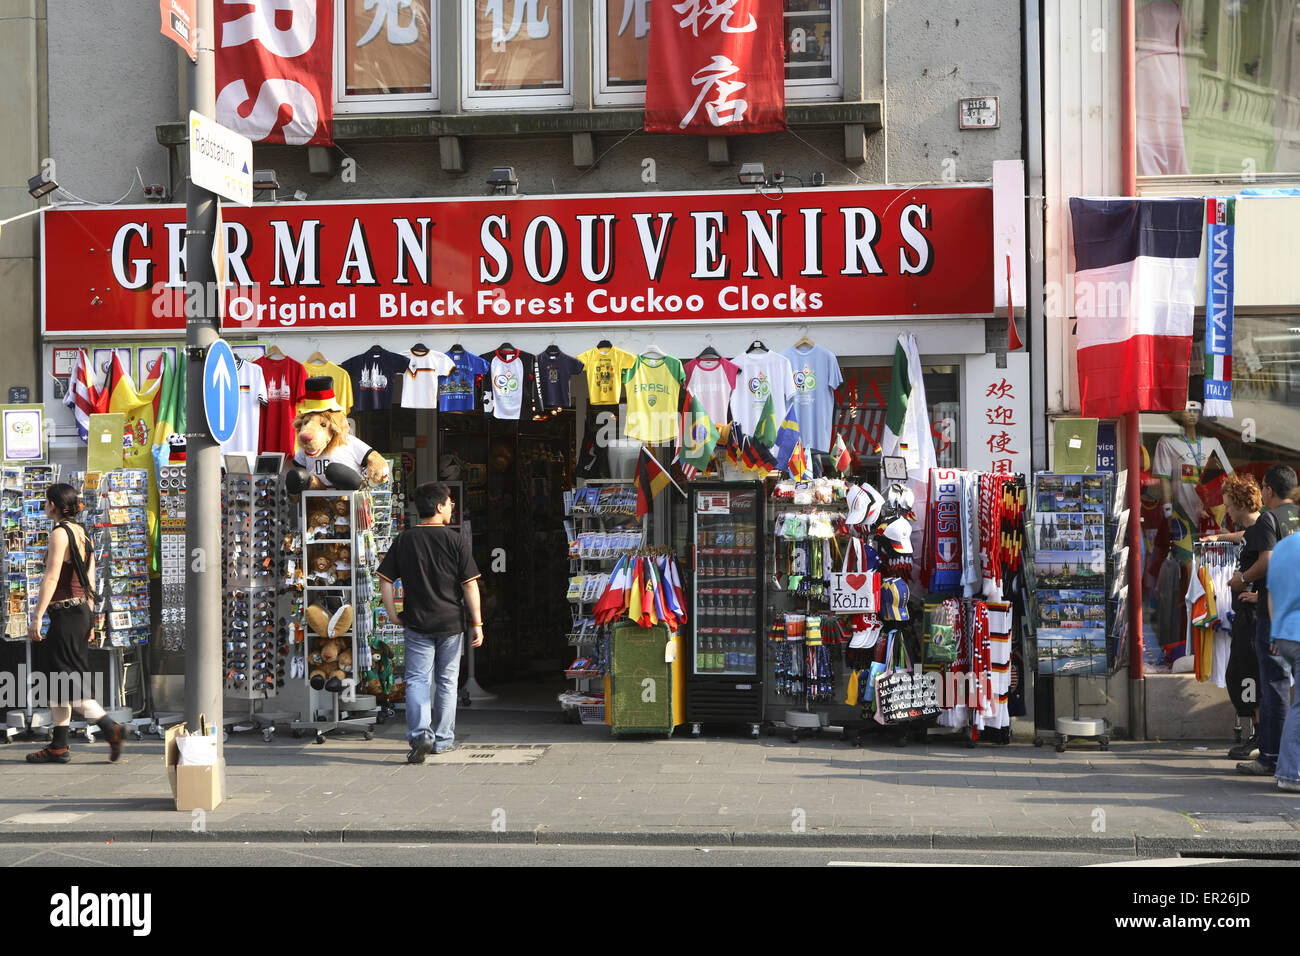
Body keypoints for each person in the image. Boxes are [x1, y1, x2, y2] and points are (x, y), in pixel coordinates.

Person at [376, 482, 483, 764]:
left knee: (416, 680)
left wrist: (391, 613)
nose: (452, 507)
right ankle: (443, 739)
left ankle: (420, 734)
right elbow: (470, 586)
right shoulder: (455, 540)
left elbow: (385, 580)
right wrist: (478, 622)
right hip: (450, 623)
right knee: (447, 681)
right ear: (438, 507)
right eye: (449, 503)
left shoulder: (405, 539)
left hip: (416, 622)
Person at [26, 484, 126, 763]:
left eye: (46, 502)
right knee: (57, 682)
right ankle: (59, 746)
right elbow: (90, 583)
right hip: (79, 614)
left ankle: (110, 728)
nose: (44, 506)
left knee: (68, 684)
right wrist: (90, 619)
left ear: (54, 505)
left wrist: (36, 616)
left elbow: (51, 577)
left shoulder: (60, 534)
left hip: (66, 614)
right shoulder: (84, 534)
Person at [1233, 465, 1298, 776]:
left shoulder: (1269, 520)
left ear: (1269, 490)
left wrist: (1244, 580)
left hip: (1275, 618)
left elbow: (1268, 562)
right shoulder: (1298, 519)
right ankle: (1289, 761)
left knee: (1274, 686)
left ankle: (1271, 757)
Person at [1203, 474, 1263, 759]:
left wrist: (1247, 585)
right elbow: (1245, 537)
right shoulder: (1254, 529)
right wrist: (1220, 537)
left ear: (1240, 503)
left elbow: (1273, 562)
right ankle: (1257, 733)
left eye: (1228, 505)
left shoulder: (1265, 528)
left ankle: (1259, 736)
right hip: (1245, 614)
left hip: (1252, 614)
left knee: (1248, 675)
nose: (1225, 510)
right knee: (1239, 674)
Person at [1268, 485, 1300, 792]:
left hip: (1286, 633)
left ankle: (1290, 770)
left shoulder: (1285, 546)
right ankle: (1290, 773)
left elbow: (1271, 592)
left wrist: (1275, 631)